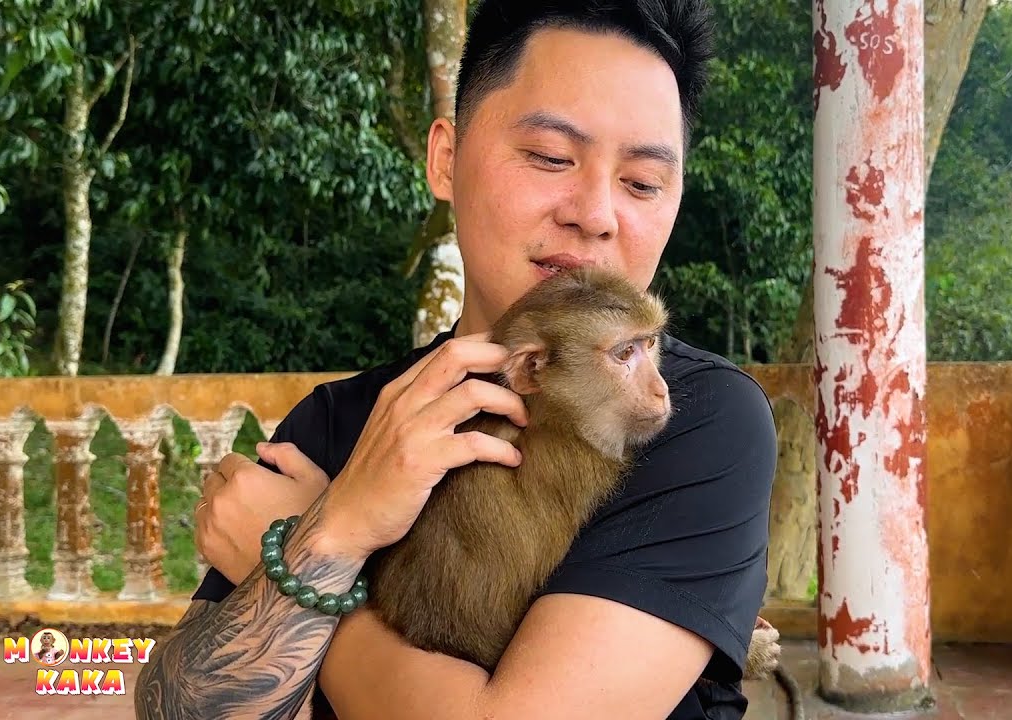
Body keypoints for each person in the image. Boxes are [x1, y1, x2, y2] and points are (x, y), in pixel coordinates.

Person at [134, 1, 778, 718]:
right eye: (551, 157)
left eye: (642, 183)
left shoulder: (690, 419)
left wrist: (289, 555)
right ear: (445, 159)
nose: (594, 213)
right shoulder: (337, 422)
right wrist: (339, 523)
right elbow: (176, 706)